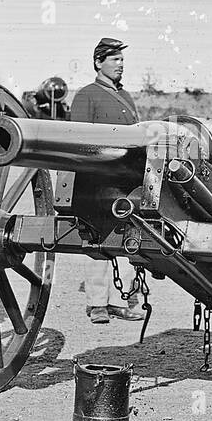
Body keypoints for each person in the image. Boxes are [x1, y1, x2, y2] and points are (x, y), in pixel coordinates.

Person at [71, 37, 145, 325]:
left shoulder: (126, 97)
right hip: (96, 180)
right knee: (97, 242)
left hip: (125, 179)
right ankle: (98, 303)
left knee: (128, 238)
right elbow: (78, 139)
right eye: (114, 59)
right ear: (98, 62)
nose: (120, 64)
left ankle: (121, 301)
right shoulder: (86, 95)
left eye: (122, 59)